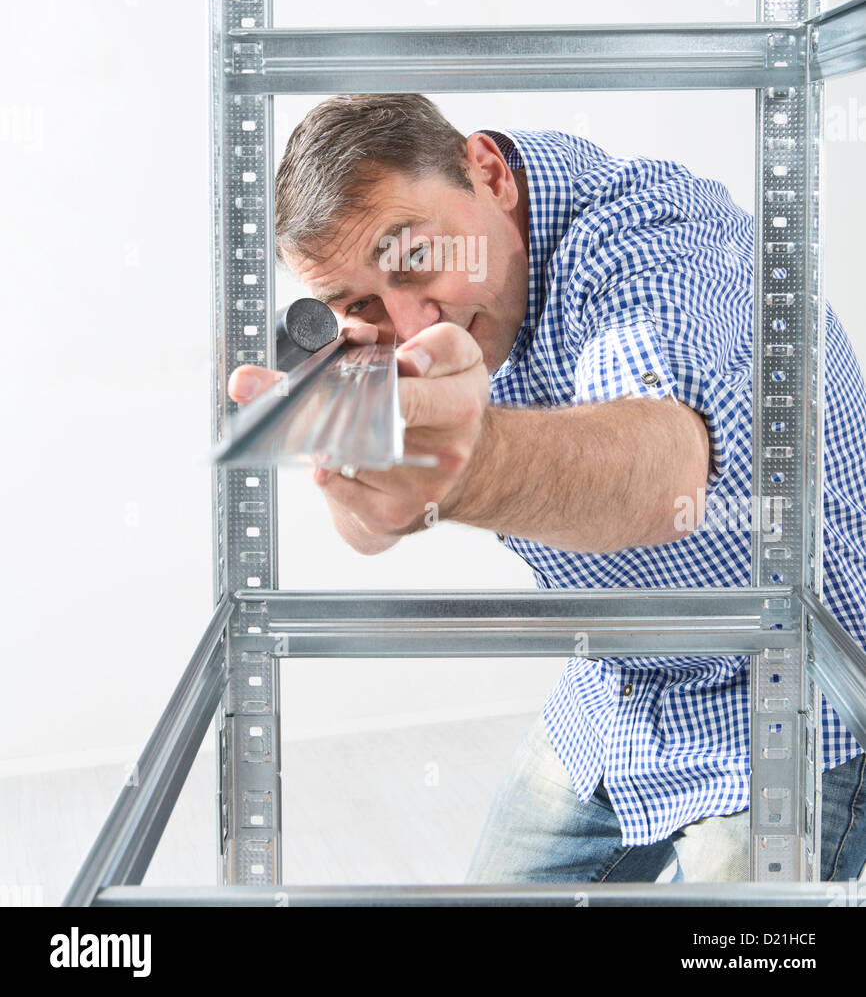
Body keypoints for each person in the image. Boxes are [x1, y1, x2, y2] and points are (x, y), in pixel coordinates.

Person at [228, 92, 866, 886]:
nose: (413, 322)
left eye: (416, 261)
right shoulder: (402, 321)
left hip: (794, 685)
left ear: (489, 173)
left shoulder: (653, 236)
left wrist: (463, 468)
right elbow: (366, 526)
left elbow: (665, 462)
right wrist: (351, 464)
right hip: (618, 686)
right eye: (359, 304)